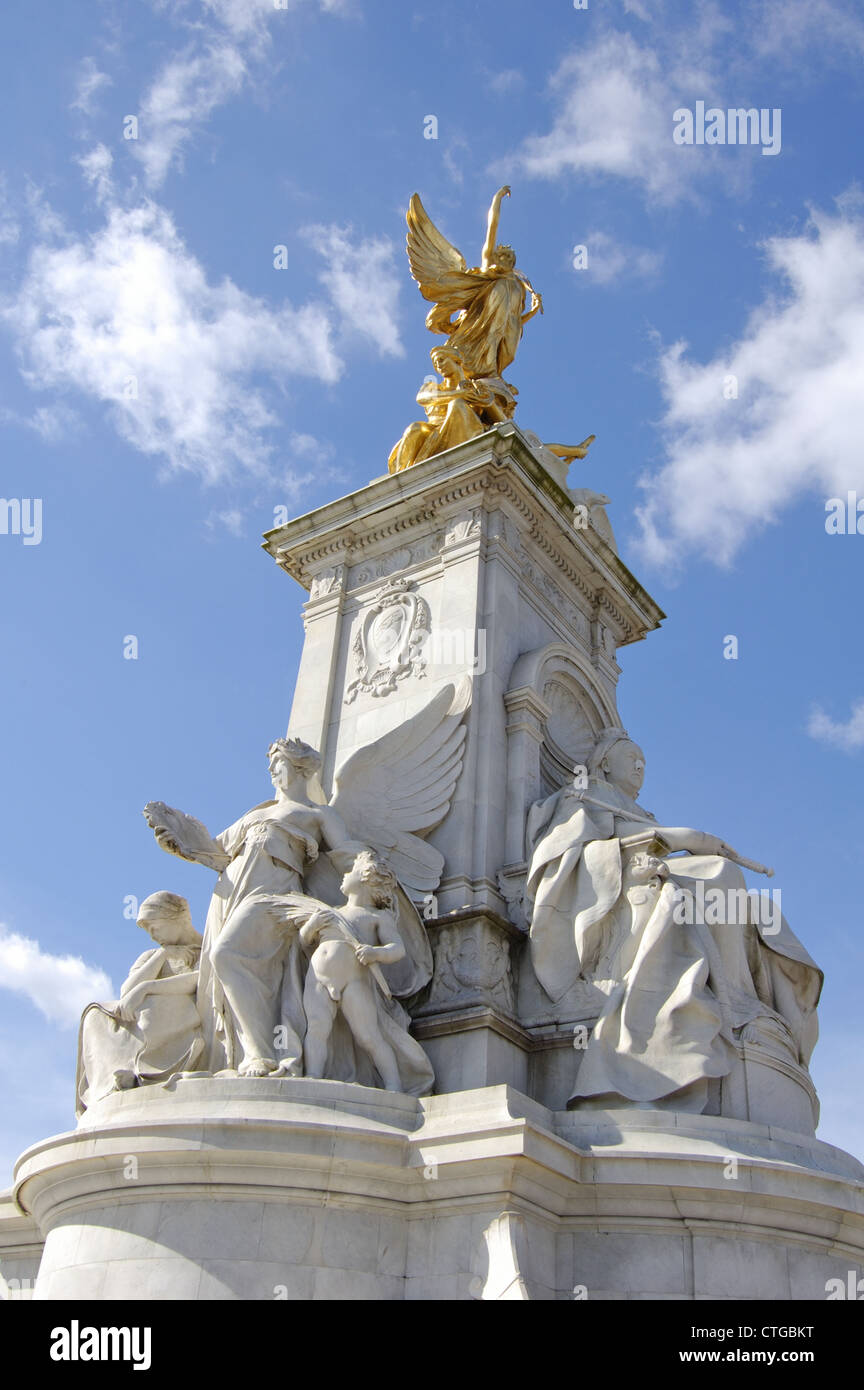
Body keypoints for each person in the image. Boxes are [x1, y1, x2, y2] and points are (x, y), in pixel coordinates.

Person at [525, 729, 822, 1110]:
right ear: (603, 763)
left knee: (758, 908)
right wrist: (690, 837)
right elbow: (575, 852)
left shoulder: (634, 809)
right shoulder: (585, 796)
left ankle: (744, 1000)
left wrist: (679, 843)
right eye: (631, 757)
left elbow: (648, 836)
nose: (639, 766)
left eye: (644, 762)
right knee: (720, 875)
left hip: (648, 873)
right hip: (621, 884)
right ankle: (733, 1001)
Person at [296, 852, 434, 1095]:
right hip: (318, 977)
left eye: (350, 871)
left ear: (366, 880)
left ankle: (394, 1085)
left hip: (355, 980)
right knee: (317, 1027)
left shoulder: (377, 917)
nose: (344, 874)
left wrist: (374, 953)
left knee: (369, 1036)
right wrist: (312, 925)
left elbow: (397, 949)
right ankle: (313, 1075)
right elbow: (304, 941)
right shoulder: (332, 912)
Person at [76, 892, 203, 1114]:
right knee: (94, 1016)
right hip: (137, 1016)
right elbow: (127, 992)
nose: (153, 936)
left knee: (152, 1007)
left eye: (155, 927)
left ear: (176, 918)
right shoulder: (152, 955)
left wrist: (148, 988)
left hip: (173, 1015)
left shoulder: (207, 949)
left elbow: (200, 980)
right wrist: (163, 955)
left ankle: (144, 1072)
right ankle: (111, 1080)